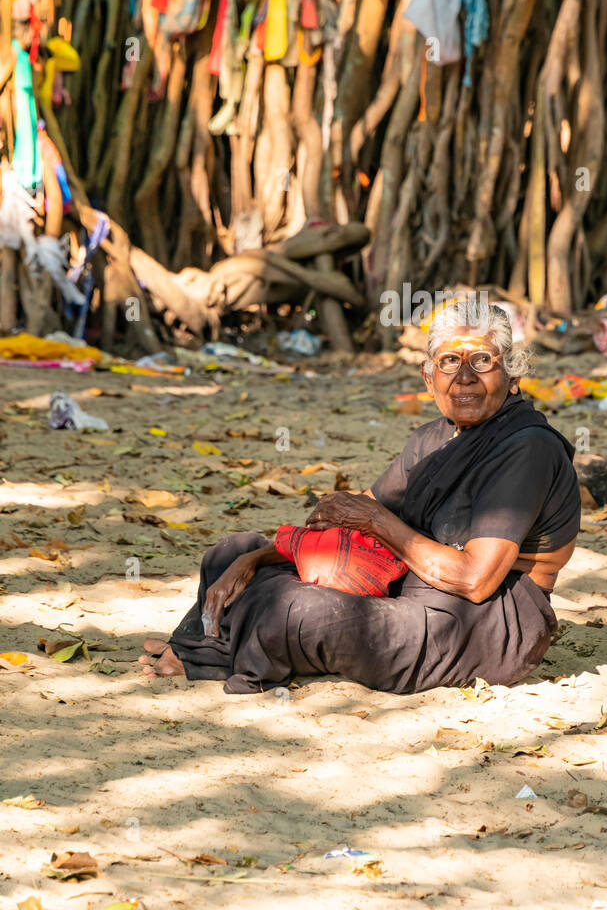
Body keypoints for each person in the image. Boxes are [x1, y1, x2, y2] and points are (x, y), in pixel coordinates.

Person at [139, 297, 580, 694]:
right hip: (408, 587)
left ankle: (211, 651)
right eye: (449, 362)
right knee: (230, 553)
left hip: (482, 625)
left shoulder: (527, 448)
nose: (464, 378)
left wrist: (375, 521)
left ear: (513, 373)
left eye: (482, 361)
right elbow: (345, 526)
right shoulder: (433, 438)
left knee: (296, 611)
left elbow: (475, 580)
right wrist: (253, 561)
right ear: (429, 379)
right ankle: (209, 643)